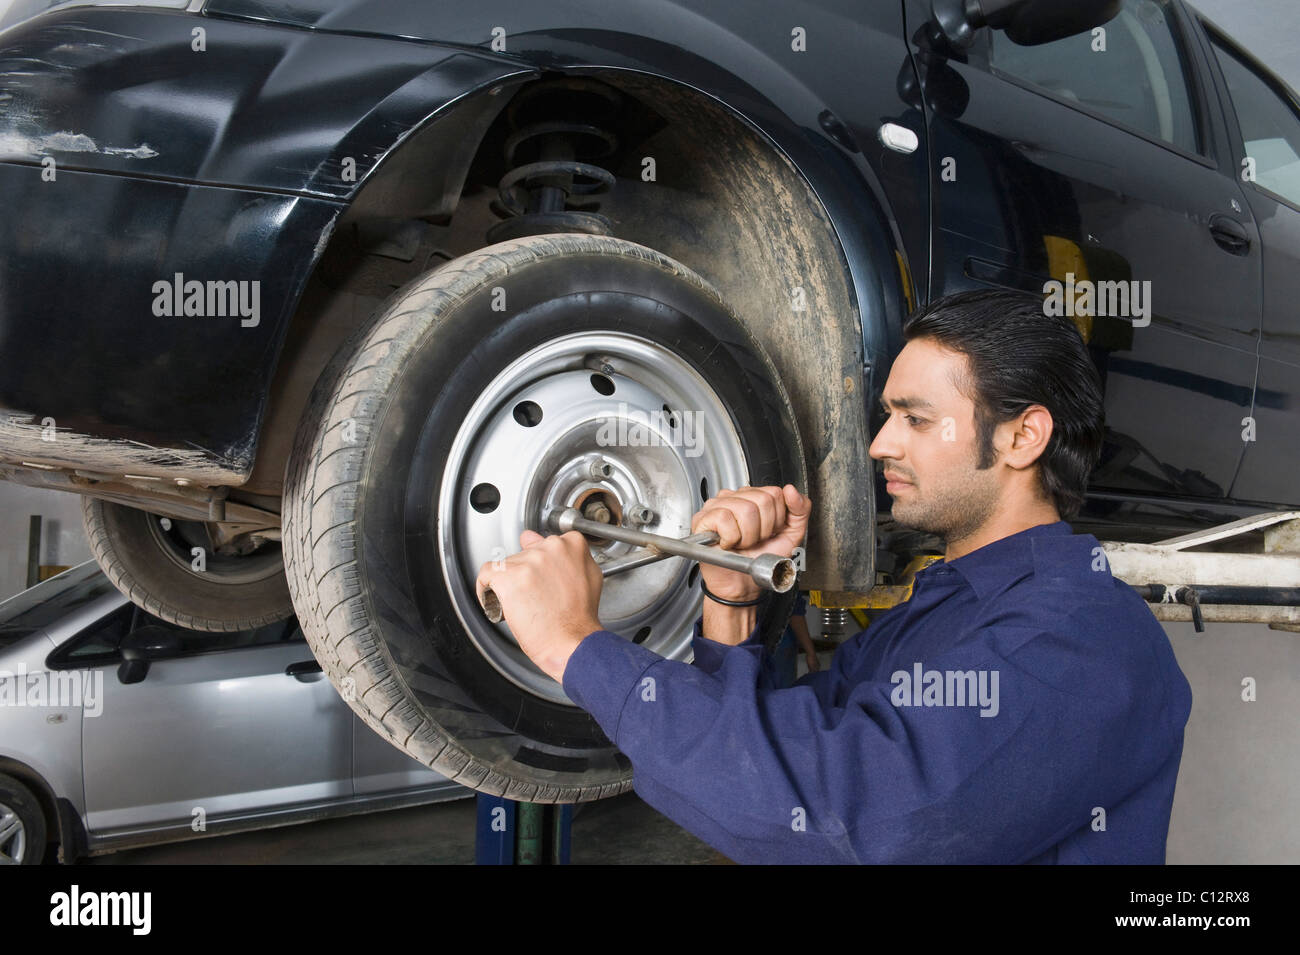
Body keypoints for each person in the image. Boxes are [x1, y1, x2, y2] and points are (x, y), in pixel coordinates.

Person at [476, 289, 1193, 863]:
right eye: (886, 416)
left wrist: (574, 644)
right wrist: (732, 595)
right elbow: (778, 753)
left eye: (915, 418)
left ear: (1021, 436)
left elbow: (846, 817)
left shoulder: (1082, 638)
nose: (880, 443)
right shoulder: (940, 611)